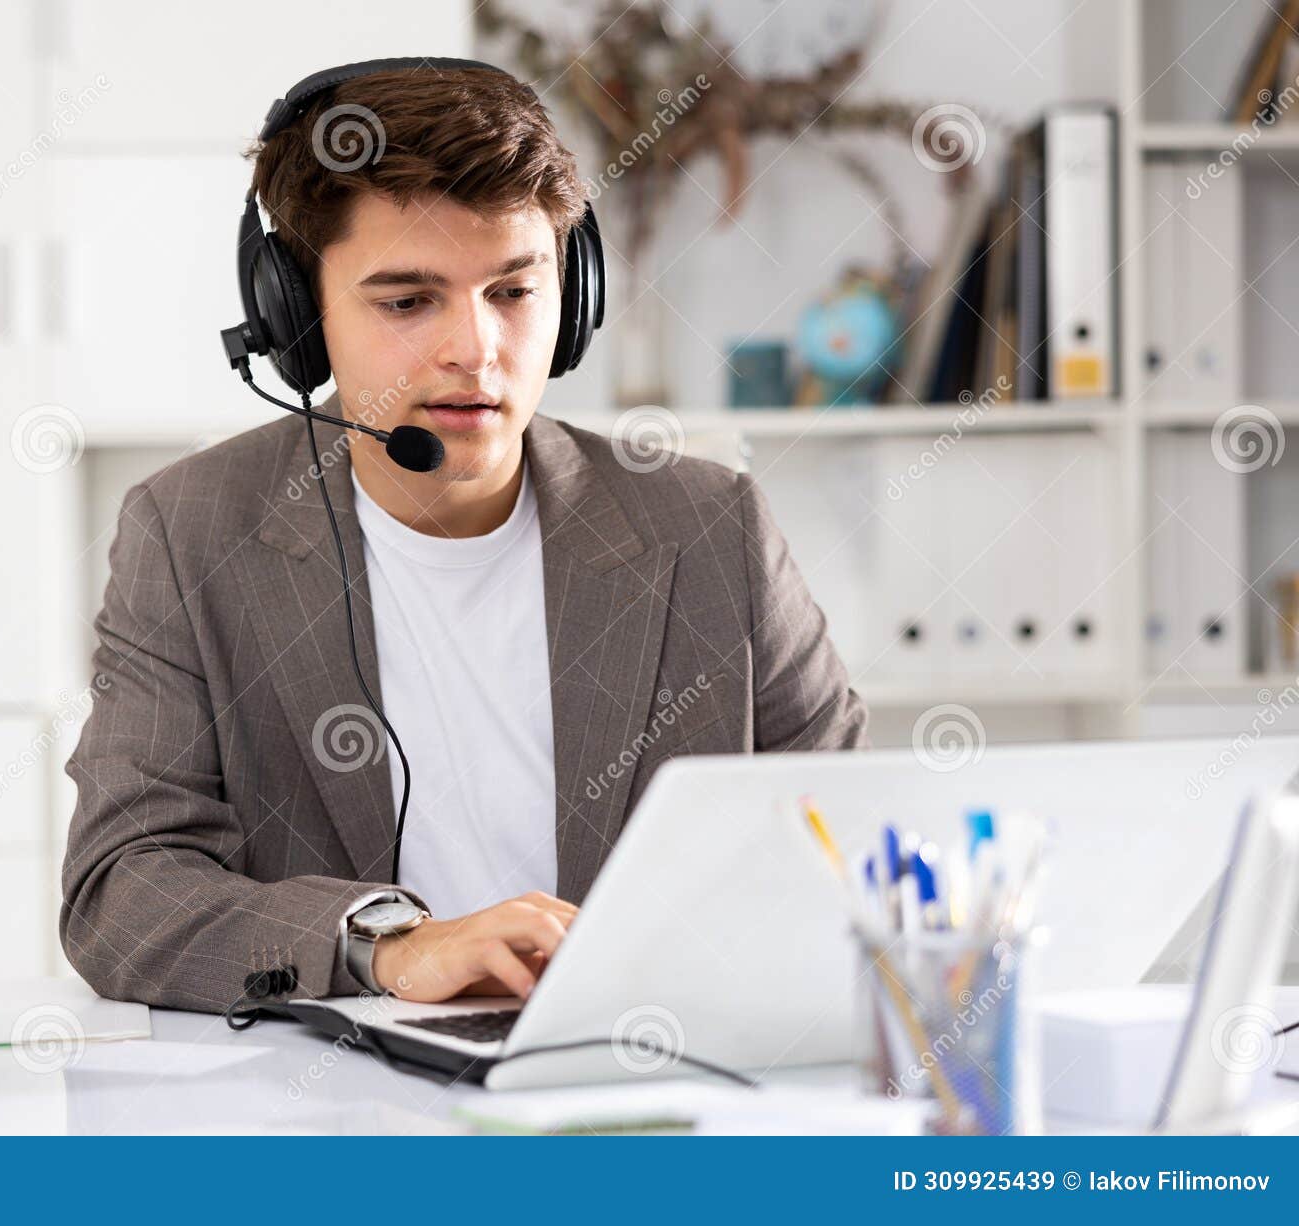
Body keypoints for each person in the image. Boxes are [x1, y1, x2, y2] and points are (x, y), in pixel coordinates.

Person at [60, 60, 868, 1018]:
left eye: (514, 293)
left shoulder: (709, 525)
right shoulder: (192, 532)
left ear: (574, 298)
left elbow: (853, 841)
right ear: (298, 319)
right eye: (407, 301)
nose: (475, 351)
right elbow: (123, 891)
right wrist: (389, 948)